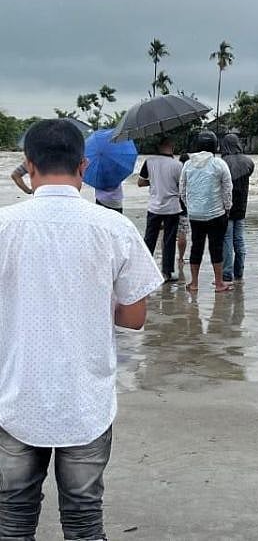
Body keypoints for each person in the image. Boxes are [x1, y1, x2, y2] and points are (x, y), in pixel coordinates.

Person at [0, 119, 161, 540]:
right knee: (84, 517)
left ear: (28, 165)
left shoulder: (3, 226)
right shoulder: (114, 228)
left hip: (14, 396)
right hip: (84, 400)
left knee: (12, 518)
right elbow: (133, 318)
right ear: (84, 165)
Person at [179, 130, 233, 292]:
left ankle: (194, 283)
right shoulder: (219, 164)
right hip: (216, 214)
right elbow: (227, 189)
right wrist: (227, 207)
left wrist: (190, 206)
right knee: (216, 248)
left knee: (196, 247)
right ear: (214, 145)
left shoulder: (187, 164)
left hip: (195, 215)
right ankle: (219, 283)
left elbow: (182, 189)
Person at [139, 135, 185, 282]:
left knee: (149, 239)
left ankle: (144, 271)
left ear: (159, 147)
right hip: (172, 208)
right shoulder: (177, 165)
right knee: (169, 240)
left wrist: (154, 183)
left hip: (154, 207)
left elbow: (140, 182)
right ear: (171, 147)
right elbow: (182, 186)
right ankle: (166, 272)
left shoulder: (149, 162)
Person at [219, 133, 255, 284]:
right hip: (241, 207)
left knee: (226, 239)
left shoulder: (222, 163)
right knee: (239, 239)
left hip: (225, 208)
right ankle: (239, 271)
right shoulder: (248, 162)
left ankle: (227, 273)